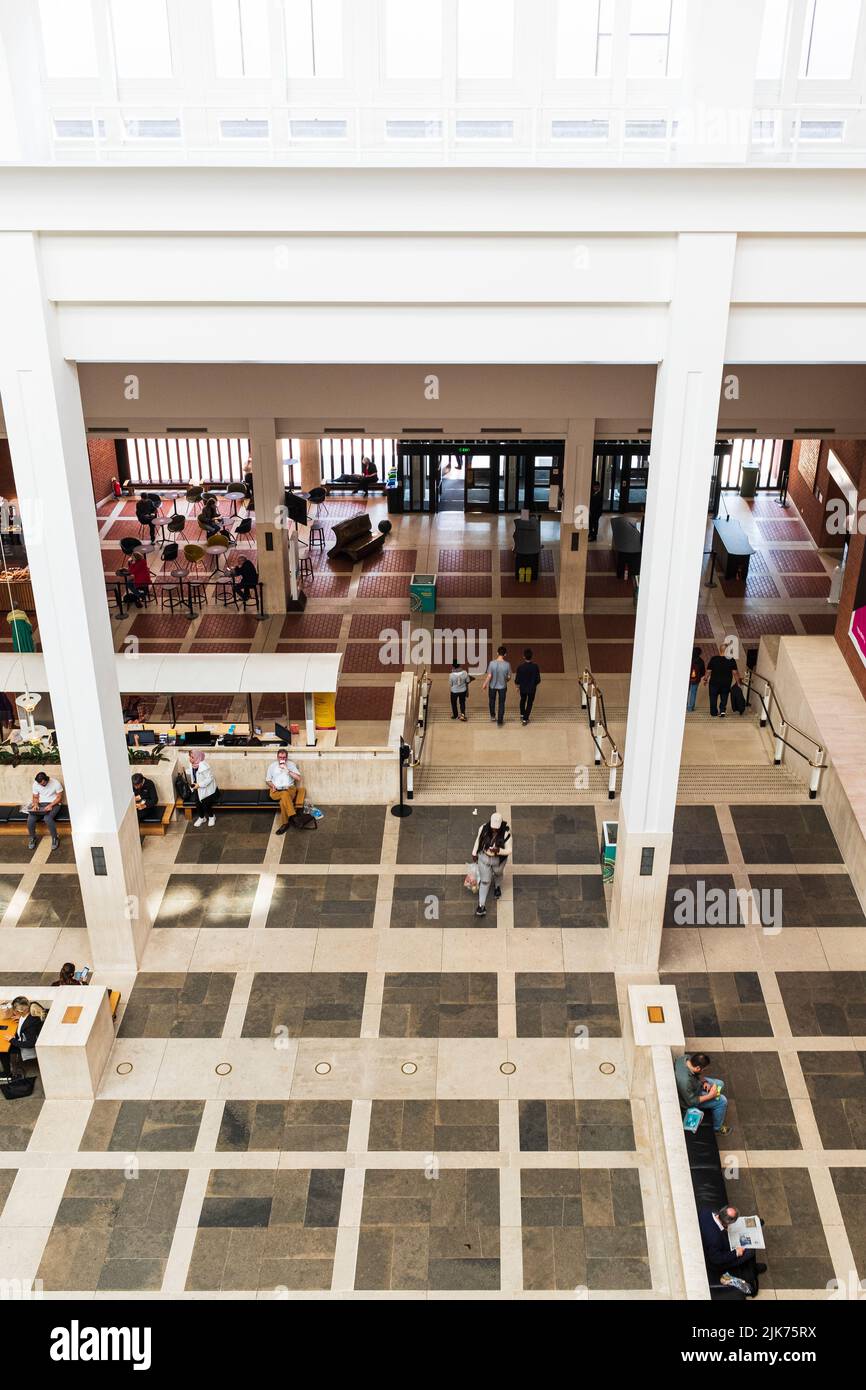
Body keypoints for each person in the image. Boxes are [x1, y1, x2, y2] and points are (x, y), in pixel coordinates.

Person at [698, 1205, 766, 1295]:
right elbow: (716, 1259)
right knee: (750, 1252)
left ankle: (755, 1225)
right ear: (726, 1223)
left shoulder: (706, 1211)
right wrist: (736, 1253)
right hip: (715, 1261)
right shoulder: (715, 1239)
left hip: (717, 1243)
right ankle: (752, 1269)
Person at [674, 1052, 731, 1135]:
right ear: (697, 1068)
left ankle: (715, 1103)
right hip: (690, 1099)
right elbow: (692, 1102)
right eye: (703, 1070)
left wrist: (703, 1081)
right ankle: (717, 1128)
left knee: (720, 1084)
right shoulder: (685, 1082)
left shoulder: (685, 1058)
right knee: (722, 1101)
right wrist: (710, 1096)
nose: (704, 1071)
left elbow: (696, 1075)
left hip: (696, 1084)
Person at [472, 812, 512, 917]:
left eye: (496, 828)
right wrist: (474, 852)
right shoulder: (483, 828)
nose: (494, 830)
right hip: (484, 859)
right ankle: (481, 906)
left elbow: (509, 850)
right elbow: (478, 840)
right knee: (485, 881)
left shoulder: (506, 834)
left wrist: (498, 851)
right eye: (493, 827)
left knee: (498, 873)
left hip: (498, 860)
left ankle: (497, 886)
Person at [0, 997, 46, 1081]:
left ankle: (7, 1073)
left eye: (13, 1010)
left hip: (26, 1046)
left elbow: (31, 1044)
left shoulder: (29, 1026)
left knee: (2, 1050)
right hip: (23, 1035)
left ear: (19, 1011)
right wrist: (20, 1018)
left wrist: (12, 1040)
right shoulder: (31, 1009)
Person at [266, 746, 305, 834]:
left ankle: (285, 824)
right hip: (276, 791)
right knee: (284, 795)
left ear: (286, 757)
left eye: (284, 757)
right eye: (280, 757)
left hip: (289, 789)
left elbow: (298, 778)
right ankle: (293, 816)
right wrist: (272, 786)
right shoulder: (272, 766)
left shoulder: (291, 765)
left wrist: (287, 770)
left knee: (283, 801)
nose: (282, 759)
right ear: (277, 757)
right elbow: (268, 780)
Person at [27, 770, 63, 851]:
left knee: (47, 818)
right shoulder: (36, 784)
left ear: (47, 780)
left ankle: (55, 838)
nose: (41, 785)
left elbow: (59, 798)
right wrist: (35, 804)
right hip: (41, 805)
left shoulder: (55, 783)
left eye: (43, 784)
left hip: (54, 804)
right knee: (30, 819)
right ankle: (33, 838)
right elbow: (35, 797)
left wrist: (51, 805)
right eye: (40, 784)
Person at [703, 645, 741, 718]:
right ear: (726, 651)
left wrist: (705, 679)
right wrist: (738, 682)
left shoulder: (713, 659)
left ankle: (713, 713)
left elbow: (708, 671)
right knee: (724, 697)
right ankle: (722, 711)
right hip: (726, 683)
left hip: (714, 683)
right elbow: (735, 673)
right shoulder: (731, 660)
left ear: (720, 650)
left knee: (713, 697)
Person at [183, 750, 219, 828]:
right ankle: (202, 818)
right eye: (190, 757)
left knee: (206, 804)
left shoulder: (204, 766)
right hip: (196, 787)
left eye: (192, 757)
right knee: (198, 804)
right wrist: (185, 771)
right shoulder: (192, 764)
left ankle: (212, 817)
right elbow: (194, 772)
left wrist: (199, 785)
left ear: (197, 757)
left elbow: (210, 778)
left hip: (206, 790)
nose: (190, 759)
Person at [482, 645, 512, 726]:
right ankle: (500, 720)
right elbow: (509, 677)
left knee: (492, 701)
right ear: (505, 654)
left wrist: (485, 684)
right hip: (503, 687)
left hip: (492, 686)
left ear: (497, 653)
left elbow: (489, 675)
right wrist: (506, 680)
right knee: (501, 703)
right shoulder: (507, 664)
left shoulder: (492, 663)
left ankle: (492, 716)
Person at [515, 648, 541, 726]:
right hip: (532, 689)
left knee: (522, 700)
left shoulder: (520, 667)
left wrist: (517, 686)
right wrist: (534, 684)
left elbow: (517, 679)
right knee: (530, 702)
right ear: (531, 656)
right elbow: (538, 679)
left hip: (522, 688)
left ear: (524, 656)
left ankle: (522, 714)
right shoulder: (535, 667)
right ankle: (525, 719)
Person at [687, 646, 706, 713]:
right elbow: (703, 672)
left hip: (687, 679)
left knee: (686, 692)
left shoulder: (688, 658)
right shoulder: (701, 661)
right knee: (693, 693)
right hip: (696, 680)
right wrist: (698, 676)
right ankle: (690, 708)